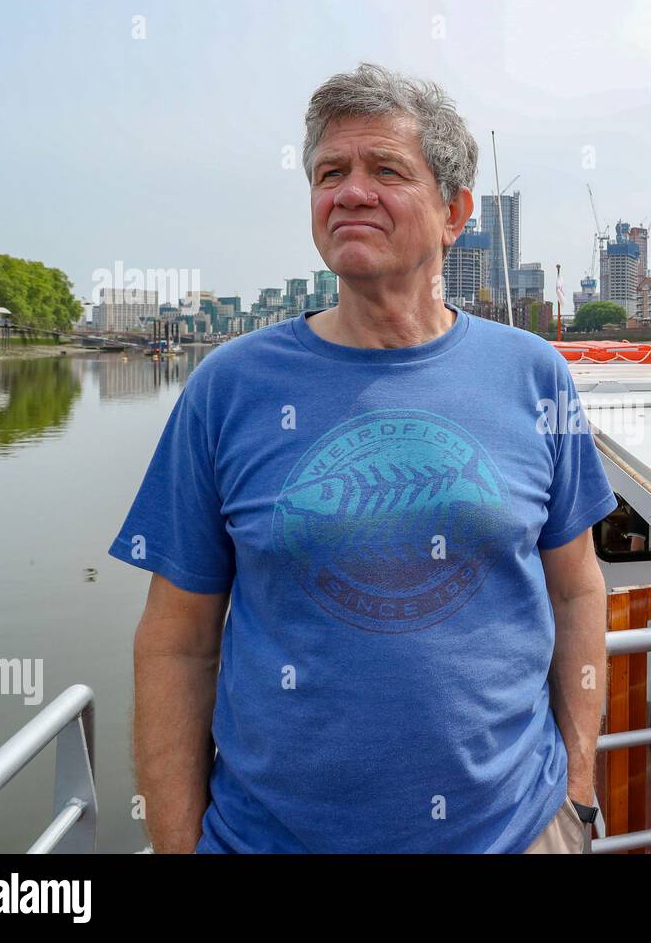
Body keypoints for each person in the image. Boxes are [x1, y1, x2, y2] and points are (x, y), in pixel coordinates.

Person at [109, 63, 617, 853]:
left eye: (386, 170)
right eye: (329, 173)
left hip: (518, 831)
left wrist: (577, 793)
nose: (349, 191)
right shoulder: (227, 389)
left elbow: (578, 590)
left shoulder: (534, 375)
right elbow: (177, 639)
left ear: (454, 212)